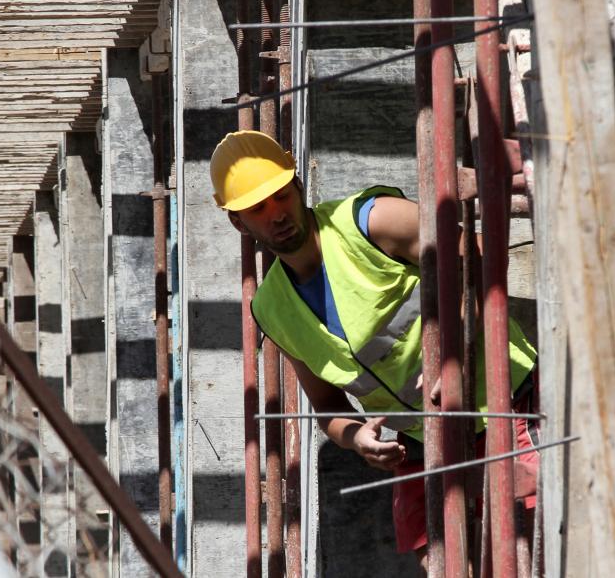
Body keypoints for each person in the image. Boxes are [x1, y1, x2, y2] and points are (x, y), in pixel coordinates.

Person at [211, 130, 538, 570]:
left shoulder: (369, 221)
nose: (277, 214)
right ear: (238, 222)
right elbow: (327, 407)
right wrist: (357, 437)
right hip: (426, 441)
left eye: (282, 197)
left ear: (298, 188)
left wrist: (456, 348)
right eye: (258, 208)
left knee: (533, 541)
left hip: (504, 401)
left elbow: (476, 253)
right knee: (443, 565)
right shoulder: (272, 309)